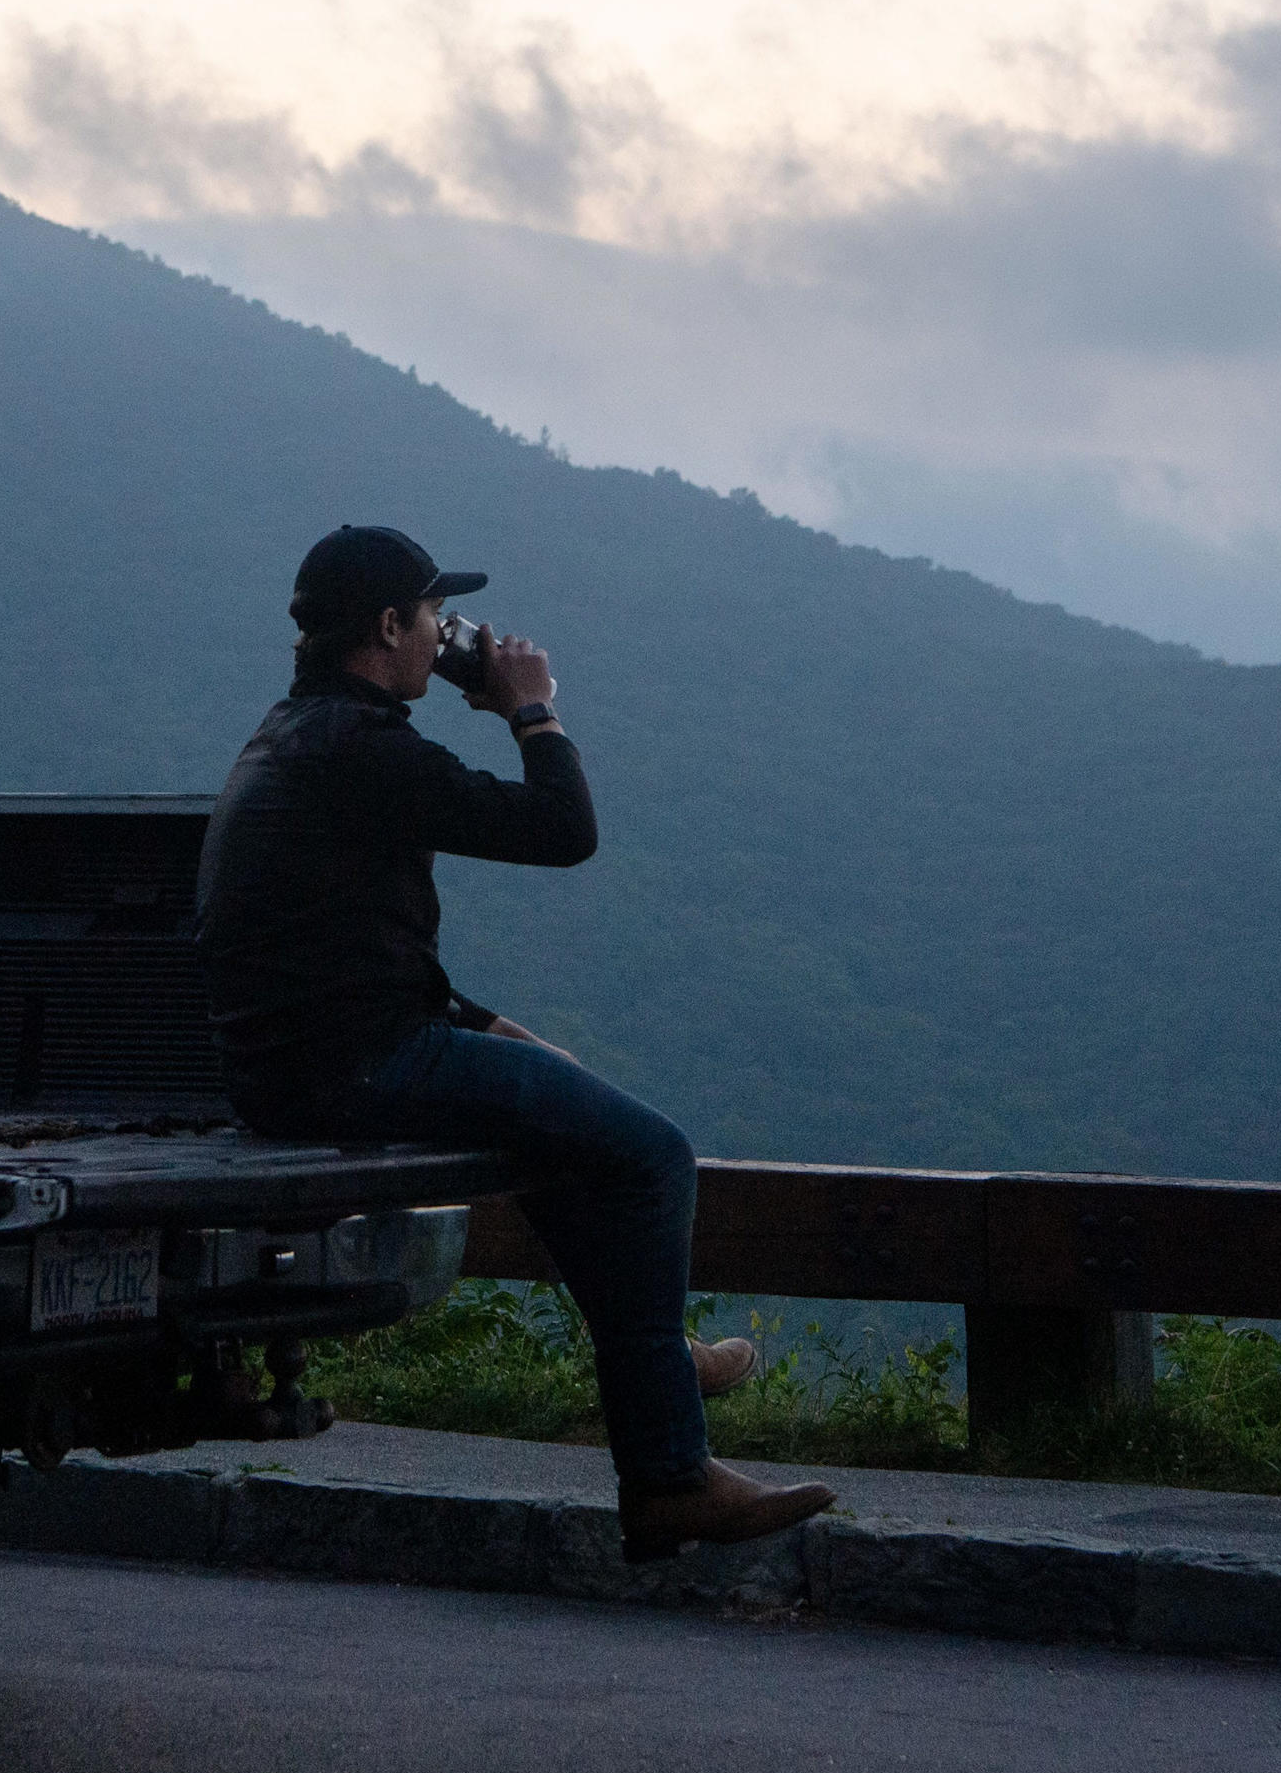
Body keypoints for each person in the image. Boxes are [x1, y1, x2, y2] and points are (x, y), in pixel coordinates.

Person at [197, 524, 835, 1562]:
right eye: (436, 615)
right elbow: (562, 831)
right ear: (391, 627)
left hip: (314, 1059)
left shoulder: (301, 734)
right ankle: (670, 1477)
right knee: (655, 1155)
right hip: (355, 1068)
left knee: (559, 1129)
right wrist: (531, 707)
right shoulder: (366, 750)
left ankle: (659, 1359)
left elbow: (345, 950)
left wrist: (486, 1026)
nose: (451, 633)